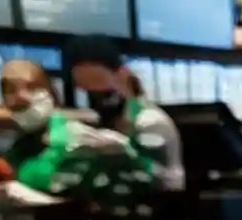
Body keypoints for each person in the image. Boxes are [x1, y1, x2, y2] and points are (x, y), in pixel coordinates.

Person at [66, 34, 185, 192]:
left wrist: (126, 155)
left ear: (121, 76)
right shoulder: (103, 119)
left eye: (104, 93)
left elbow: (168, 183)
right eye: (89, 94)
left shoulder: (149, 120)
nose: (99, 102)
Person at [0, 60, 63, 198]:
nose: (21, 96)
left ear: (50, 92)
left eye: (32, 87)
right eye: (11, 90)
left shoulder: (73, 137)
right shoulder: (13, 149)